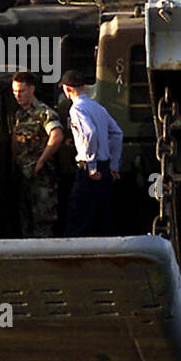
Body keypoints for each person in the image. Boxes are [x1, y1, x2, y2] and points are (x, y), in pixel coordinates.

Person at [59, 70, 122, 236]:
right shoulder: (98, 107)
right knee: (103, 217)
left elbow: (90, 134)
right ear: (84, 86)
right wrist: (113, 165)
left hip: (89, 170)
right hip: (106, 166)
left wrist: (92, 166)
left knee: (77, 216)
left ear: (66, 89)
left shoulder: (76, 109)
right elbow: (117, 133)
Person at [10, 71, 64, 237]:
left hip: (41, 179)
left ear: (32, 89)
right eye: (15, 92)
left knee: (43, 223)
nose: (17, 96)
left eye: (21, 91)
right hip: (23, 178)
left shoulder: (43, 113)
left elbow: (57, 136)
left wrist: (41, 161)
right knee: (25, 223)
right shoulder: (19, 115)